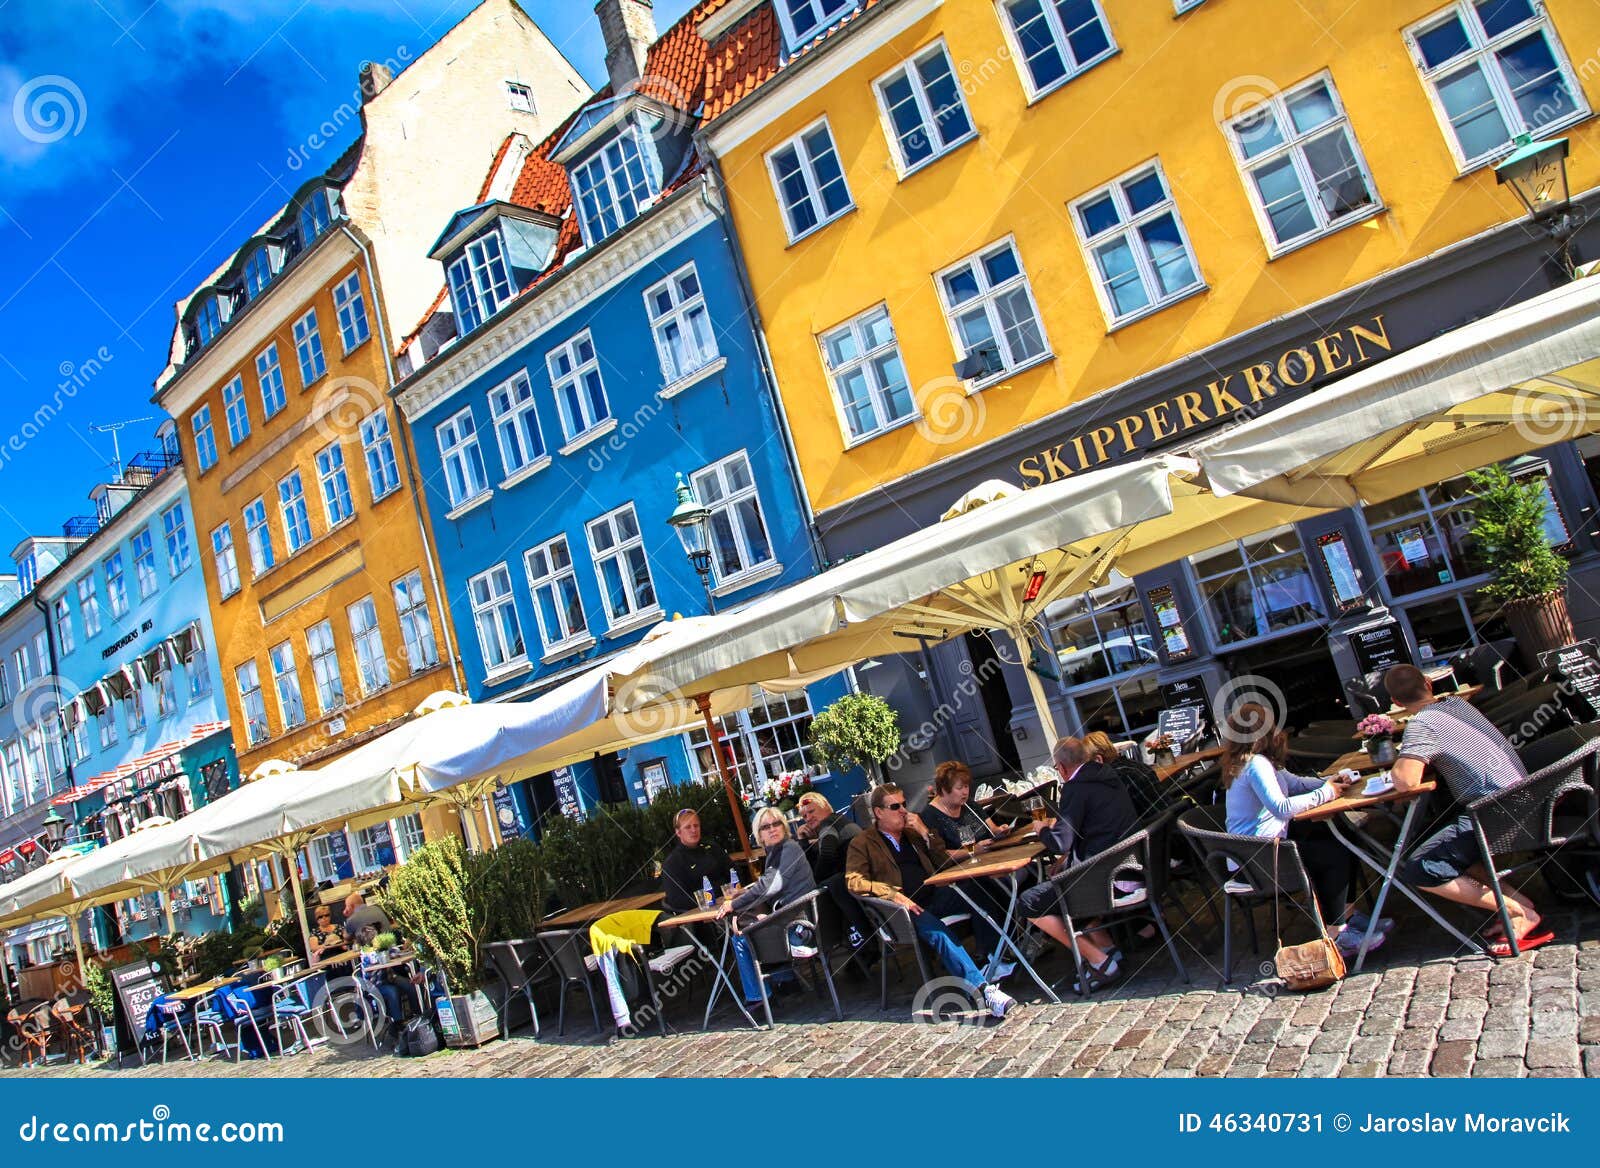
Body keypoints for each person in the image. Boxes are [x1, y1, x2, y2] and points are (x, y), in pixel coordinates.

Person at [1383, 664, 1548, 955]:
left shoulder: (1422, 725)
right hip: (1524, 797)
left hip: (1496, 812)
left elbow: (1407, 781)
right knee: (1448, 849)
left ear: (1396, 703)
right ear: (1428, 684)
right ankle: (1521, 903)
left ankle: (1518, 912)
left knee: (1421, 868)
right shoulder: (1457, 704)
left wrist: (1398, 762)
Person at [1219, 702, 1384, 958]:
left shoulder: (1251, 762)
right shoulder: (1255, 765)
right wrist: (1327, 792)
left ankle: (1347, 916)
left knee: (1343, 837)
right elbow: (1282, 808)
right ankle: (1338, 934)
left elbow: (1295, 784)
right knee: (1333, 854)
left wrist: (1331, 781)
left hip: (1256, 853)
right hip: (1257, 862)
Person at [846, 783, 1017, 1019]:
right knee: (938, 932)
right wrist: (892, 894)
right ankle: (983, 990)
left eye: (904, 804)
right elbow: (854, 881)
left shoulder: (911, 833)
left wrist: (925, 832)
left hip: (934, 894)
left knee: (979, 888)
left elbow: (942, 861)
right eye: (895, 807)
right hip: (902, 912)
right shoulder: (863, 842)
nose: (903, 811)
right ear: (878, 812)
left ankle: (990, 958)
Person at [1018, 736, 1139, 990]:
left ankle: (1099, 962)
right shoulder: (1107, 775)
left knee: (1029, 903)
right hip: (1130, 868)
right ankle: (1107, 948)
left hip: (1105, 879)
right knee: (1062, 877)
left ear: (1061, 767)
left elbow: (1060, 842)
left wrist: (1040, 829)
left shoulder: (1076, 788)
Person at [718, 807, 818, 1007]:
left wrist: (733, 905)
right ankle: (787, 981)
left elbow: (772, 885)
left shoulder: (788, 848)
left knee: (741, 937)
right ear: (759, 835)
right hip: (798, 921)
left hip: (799, 931)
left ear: (784, 827)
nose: (772, 829)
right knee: (757, 922)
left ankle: (758, 998)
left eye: (776, 824)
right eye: (766, 827)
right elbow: (770, 884)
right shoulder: (779, 851)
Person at [794, 792, 874, 962]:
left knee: (824, 890)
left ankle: (820, 945)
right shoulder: (839, 821)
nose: (807, 818)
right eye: (804, 815)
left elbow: (827, 854)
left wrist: (816, 881)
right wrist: (802, 839)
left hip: (859, 891)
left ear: (825, 807)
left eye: (811, 811)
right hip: (866, 887)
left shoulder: (828, 825)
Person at [920, 761, 1008, 862]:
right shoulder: (930, 815)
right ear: (944, 790)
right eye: (959, 788)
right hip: (965, 868)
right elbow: (941, 854)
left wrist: (1000, 831)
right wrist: (973, 851)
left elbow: (992, 829)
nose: (965, 792)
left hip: (991, 857)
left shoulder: (968, 804)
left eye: (966, 786)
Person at [660, 808, 734, 913]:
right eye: (688, 827)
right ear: (678, 832)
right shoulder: (672, 863)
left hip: (731, 903)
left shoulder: (713, 848)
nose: (693, 830)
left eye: (696, 825)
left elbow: (734, 872)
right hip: (702, 915)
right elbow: (677, 900)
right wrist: (714, 897)